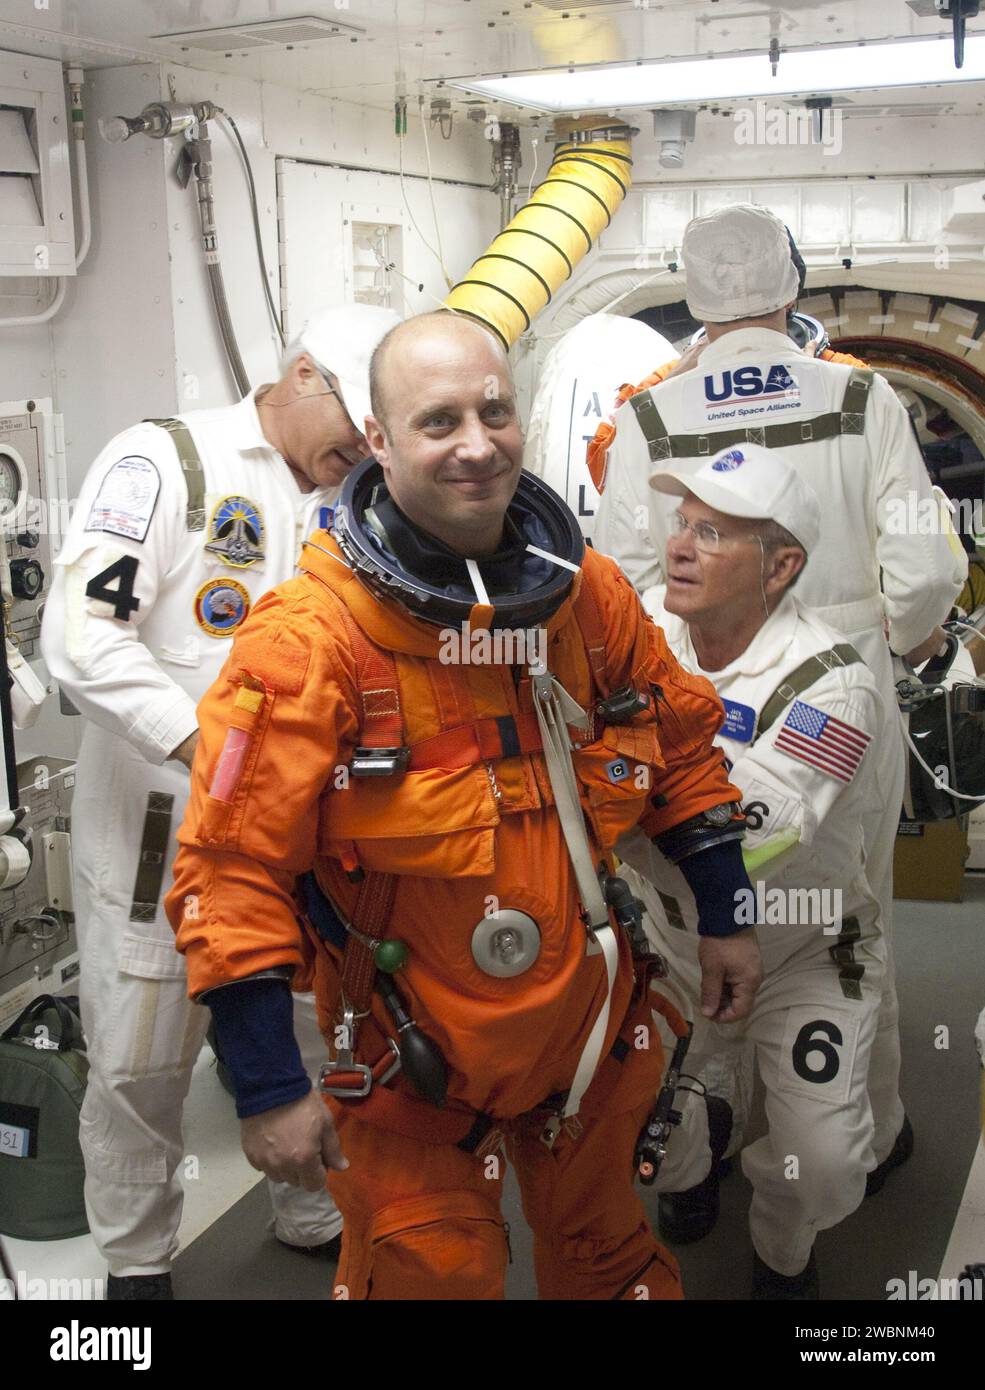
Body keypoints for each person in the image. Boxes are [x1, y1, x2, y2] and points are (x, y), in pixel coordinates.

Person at [164, 310, 763, 1302]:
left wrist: (728, 915)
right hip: (413, 1063)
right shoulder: (308, 645)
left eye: (495, 411)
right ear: (379, 440)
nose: (477, 444)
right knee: (432, 1277)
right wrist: (268, 1083)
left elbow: (679, 740)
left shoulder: (584, 598)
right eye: (438, 421)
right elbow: (232, 868)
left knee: (613, 1265)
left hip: (588, 1035)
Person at [594, 203, 968, 1184]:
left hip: (691, 700)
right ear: (790, 284)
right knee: (846, 914)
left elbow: (617, 589)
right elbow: (925, 565)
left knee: (690, 911)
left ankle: (696, 1134)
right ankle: (865, 1128)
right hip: (840, 698)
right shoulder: (857, 399)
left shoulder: (648, 415)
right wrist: (901, 645)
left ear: (693, 301)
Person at [40, 303, 400, 1300]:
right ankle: (139, 1271)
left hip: (309, 843)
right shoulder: (169, 466)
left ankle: (307, 1208)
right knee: (139, 1072)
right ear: (299, 374)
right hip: (162, 834)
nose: (359, 452)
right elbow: (79, 640)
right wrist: (222, 752)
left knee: (311, 1030)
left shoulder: (357, 501)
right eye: (353, 424)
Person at [617, 442, 886, 1299]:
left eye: (714, 533)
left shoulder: (831, 682)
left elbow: (747, 840)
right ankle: (696, 1163)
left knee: (823, 1168)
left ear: (780, 567)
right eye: (682, 524)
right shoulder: (638, 637)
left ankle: (781, 1253)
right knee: (651, 1151)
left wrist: (606, 802)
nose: (680, 546)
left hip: (800, 950)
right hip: (667, 942)